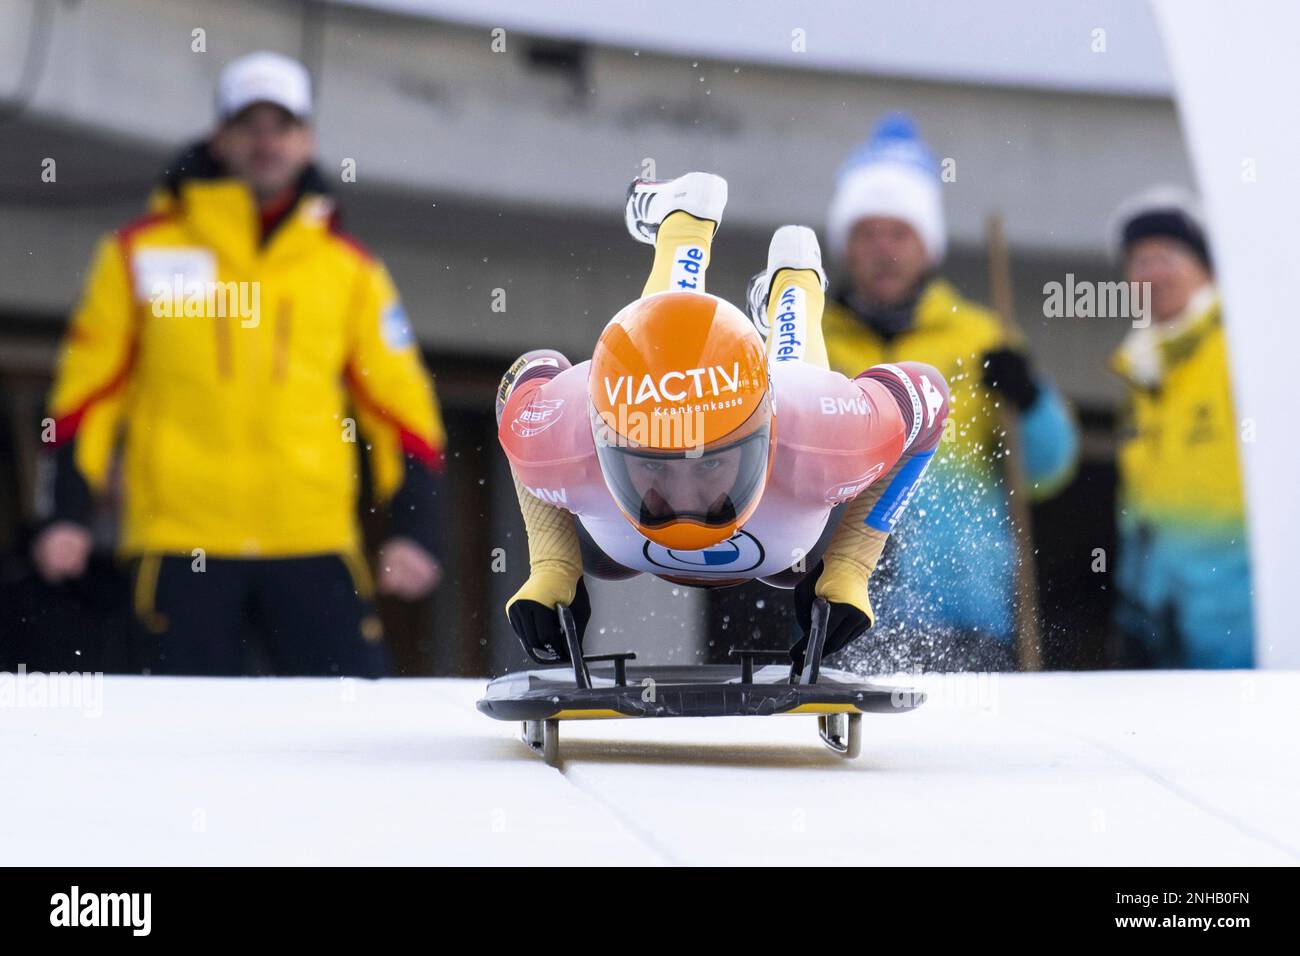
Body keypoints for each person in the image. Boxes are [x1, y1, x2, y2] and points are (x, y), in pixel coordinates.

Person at [31, 51, 447, 676]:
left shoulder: (349, 269)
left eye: (281, 126)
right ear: (219, 138)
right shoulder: (137, 252)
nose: (266, 142)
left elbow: (401, 407)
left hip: (312, 544)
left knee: (352, 738)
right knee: (174, 744)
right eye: (249, 125)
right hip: (177, 544)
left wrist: (418, 529)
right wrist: (67, 513)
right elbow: (87, 395)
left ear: (306, 142)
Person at [495, 171, 950, 667]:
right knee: (615, 561)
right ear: (604, 437)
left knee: (799, 400)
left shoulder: (823, 435)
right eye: (655, 464)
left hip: (791, 443)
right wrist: (553, 565)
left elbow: (931, 400)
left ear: (765, 437)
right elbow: (521, 392)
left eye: (709, 464)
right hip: (762, 529)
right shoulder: (565, 433)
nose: (684, 501)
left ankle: (787, 282)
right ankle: (745, 258)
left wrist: (851, 565)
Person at [820, 113, 1078, 668]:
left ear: (927, 245)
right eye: (867, 233)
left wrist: (1030, 400)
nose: (883, 249)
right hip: (838, 610)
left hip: (966, 616)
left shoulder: (982, 335)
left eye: (899, 233)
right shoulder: (812, 339)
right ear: (847, 245)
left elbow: (1047, 471)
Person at [1109, 186, 1253, 668]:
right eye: (1140, 261)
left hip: (1238, 626)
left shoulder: (1245, 351)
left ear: (1208, 268)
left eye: (1167, 256)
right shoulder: (1142, 366)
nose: (1152, 273)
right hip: (1152, 613)